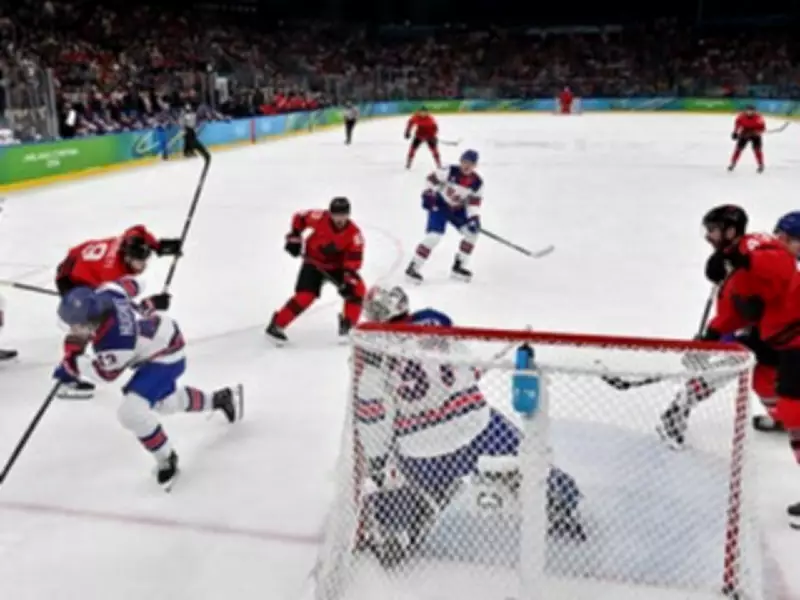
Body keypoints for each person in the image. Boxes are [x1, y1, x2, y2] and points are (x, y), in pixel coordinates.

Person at [353, 284, 585, 566]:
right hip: (477, 431)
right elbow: (467, 367)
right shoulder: (435, 322)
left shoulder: (372, 350)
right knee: (528, 459)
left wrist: (377, 461)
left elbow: (373, 413)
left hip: (422, 453)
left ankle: (399, 525)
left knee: (398, 477)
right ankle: (560, 503)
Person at [54, 280, 243, 489]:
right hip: (161, 336)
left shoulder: (116, 343)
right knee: (165, 403)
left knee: (131, 412)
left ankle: (166, 458)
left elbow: (104, 374)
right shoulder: (108, 292)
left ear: (91, 321)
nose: (72, 331)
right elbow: (133, 284)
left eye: (75, 326)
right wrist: (149, 304)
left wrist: (74, 361)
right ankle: (219, 399)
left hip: (166, 355)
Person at [54, 225, 182, 398]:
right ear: (126, 256)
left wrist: (157, 246)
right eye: (138, 261)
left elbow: (138, 230)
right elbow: (121, 309)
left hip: (82, 261)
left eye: (144, 259)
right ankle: (66, 372)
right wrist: (151, 304)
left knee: (100, 313)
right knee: (87, 321)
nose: (142, 265)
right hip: (71, 277)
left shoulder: (131, 240)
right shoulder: (112, 273)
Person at [266, 197, 366, 344]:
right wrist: (294, 237)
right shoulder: (320, 218)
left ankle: (348, 326)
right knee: (305, 295)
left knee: (356, 290)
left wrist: (348, 280)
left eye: (343, 215)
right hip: (313, 263)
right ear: (330, 213)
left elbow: (353, 261)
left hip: (337, 267)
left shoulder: (355, 235)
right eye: (336, 215)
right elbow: (299, 218)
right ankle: (276, 325)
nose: (339, 219)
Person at [406, 150, 483, 283]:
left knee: (472, 234)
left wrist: (474, 218)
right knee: (434, 236)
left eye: (470, 164)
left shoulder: (477, 183)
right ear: (460, 161)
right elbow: (430, 179)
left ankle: (458, 267)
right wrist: (428, 193)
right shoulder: (449, 171)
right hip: (439, 206)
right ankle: (413, 267)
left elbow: (473, 203)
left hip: (457, 210)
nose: (466, 166)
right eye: (464, 162)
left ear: (475, 165)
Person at [728, 105, 765, 173]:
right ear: (745, 111)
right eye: (748, 111)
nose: (749, 112)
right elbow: (737, 124)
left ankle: (761, 164)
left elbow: (763, 128)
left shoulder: (759, 117)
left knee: (757, 150)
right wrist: (735, 132)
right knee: (738, 149)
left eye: (751, 111)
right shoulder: (741, 116)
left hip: (755, 134)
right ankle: (733, 163)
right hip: (744, 133)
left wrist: (758, 132)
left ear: (754, 111)